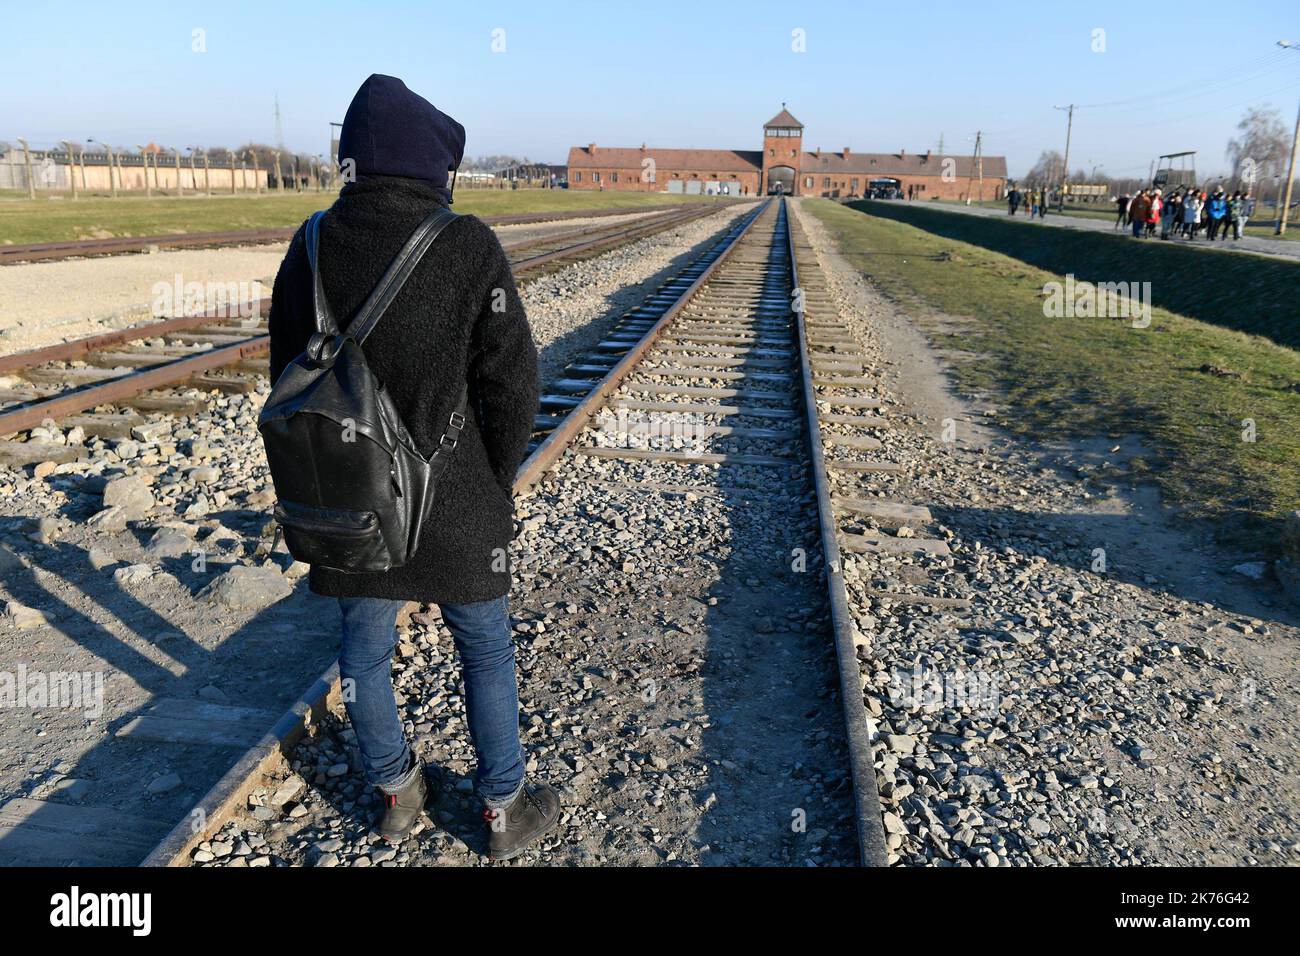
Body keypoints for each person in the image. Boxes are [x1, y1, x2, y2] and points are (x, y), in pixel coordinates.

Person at [266, 74, 559, 861]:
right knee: (485, 649)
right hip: (457, 497)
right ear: (432, 165)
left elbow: (286, 377)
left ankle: (396, 793)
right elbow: (513, 381)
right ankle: (502, 810)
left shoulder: (313, 242)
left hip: (355, 501)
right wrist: (493, 479)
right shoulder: (467, 244)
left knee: (361, 650)